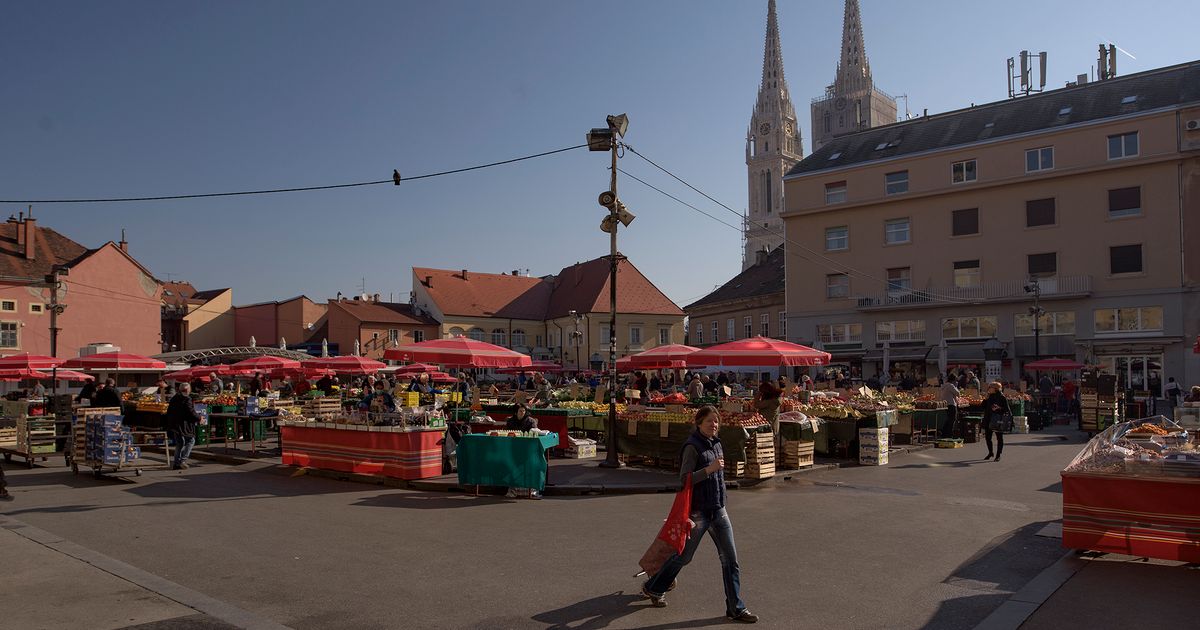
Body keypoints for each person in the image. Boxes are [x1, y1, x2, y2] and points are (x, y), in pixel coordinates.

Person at [642, 406, 758, 623]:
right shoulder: (691, 447)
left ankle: (736, 607)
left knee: (730, 559)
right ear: (698, 423)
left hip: (718, 509)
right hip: (698, 512)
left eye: (716, 422)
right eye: (709, 422)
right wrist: (709, 470)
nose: (713, 425)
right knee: (684, 557)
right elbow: (683, 480)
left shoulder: (717, 443)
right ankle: (654, 586)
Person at [165, 383, 202, 470]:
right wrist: (199, 418)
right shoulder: (187, 399)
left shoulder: (175, 398)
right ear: (188, 390)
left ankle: (176, 463)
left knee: (179, 443)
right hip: (184, 425)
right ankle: (183, 461)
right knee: (191, 440)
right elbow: (191, 412)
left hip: (175, 424)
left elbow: (169, 411)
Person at [982, 381, 1011, 462]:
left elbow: (1007, 410)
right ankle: (990, 452)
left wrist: (999, 408)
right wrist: (985, 399)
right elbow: (982, 407)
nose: (988, 389)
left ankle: (998, 455)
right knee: (988, 437)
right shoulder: (989, 396)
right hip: (988, 418)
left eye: (990, 387)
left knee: (999, 438)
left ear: (995, 389)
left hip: (998, 419)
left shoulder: (1002, 397)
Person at [755, 379, 783, 451]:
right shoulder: (776, 399)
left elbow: (757, 404)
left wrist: (758, 396)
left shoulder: (769, 401)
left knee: (766, 446)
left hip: (767, 425)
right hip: (774, 424)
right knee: (771, 444)